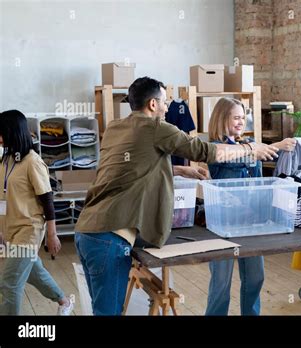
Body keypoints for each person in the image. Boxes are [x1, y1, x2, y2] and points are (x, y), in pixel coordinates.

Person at [74, 77, 279, 315]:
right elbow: (205, 151)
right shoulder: (156, 128)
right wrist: (250, 149)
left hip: (87, 231)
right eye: (165, 101)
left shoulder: (115, 128)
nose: (168, 107)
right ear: (152, 104)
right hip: (110, 236)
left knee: (103, 310)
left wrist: (181, 170)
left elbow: (132, 168)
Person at [205, 97, 296, 315]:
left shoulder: (248, 145)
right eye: (235, 117)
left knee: (256, 277)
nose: (240, 122)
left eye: (243, 117)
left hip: (252, 222)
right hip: (224, 225)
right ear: (221, 119)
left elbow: (256, 166)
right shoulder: (216, 148)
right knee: (221, 283)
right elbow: (239, 159)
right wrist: (273, 146)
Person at [0, 110, 74, 315]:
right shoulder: (5, 161)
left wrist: (52, 234)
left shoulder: (32, 161)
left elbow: (47, 200)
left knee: (9, 283)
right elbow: (2, 198)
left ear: (12, 132)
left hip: (29, 230)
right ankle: (64, 302)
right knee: (33, 271)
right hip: (11, 230)